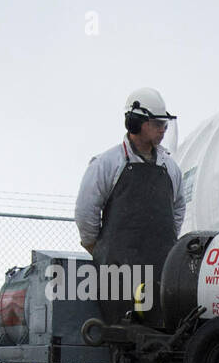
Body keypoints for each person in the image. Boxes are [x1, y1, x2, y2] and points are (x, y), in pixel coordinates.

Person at [74, 87, 185, 317]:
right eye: (157, 124)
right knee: (117, 329)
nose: (163, 130)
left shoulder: (170, 168)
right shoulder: (107, 164)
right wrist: (99, 250)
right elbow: (86, 211)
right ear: (136, 123)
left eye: (165, 125)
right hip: (117, 275)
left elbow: (178, 208)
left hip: (160, 273)